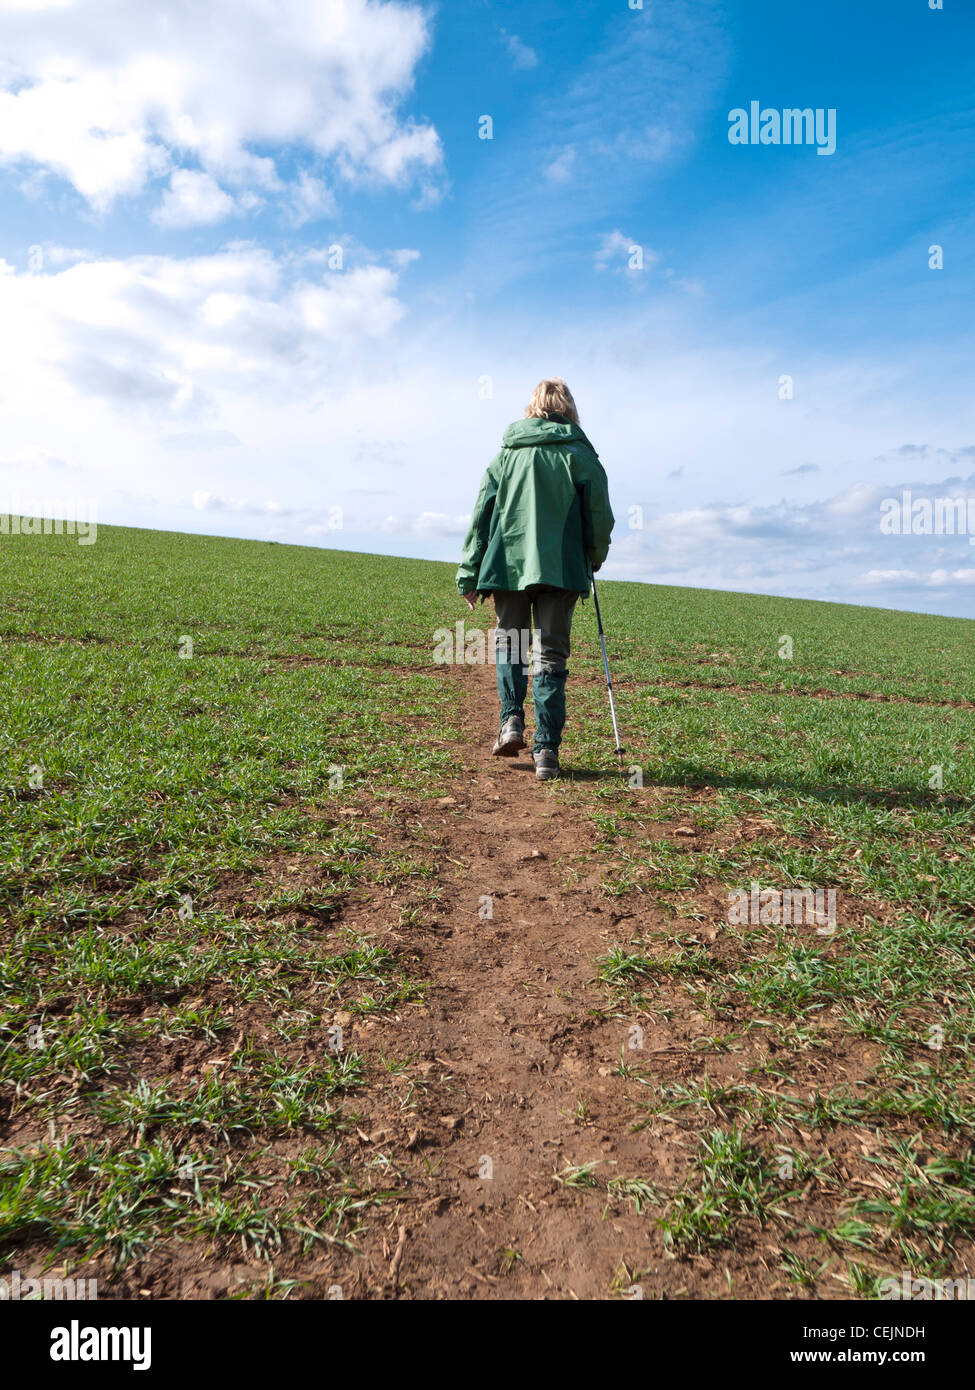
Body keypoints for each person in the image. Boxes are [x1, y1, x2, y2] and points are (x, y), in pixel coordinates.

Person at [456, 378, 614, 780]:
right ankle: (546, 751)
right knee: (550, 656)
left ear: (531, 407)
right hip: (561, 569)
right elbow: (599, 516)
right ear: (569, 408)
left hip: (506, 566)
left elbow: (481, 518)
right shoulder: (580, 455)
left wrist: (470, 573)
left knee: (511, 644)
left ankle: (511, 721)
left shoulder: (504, 457)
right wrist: (594, 558)